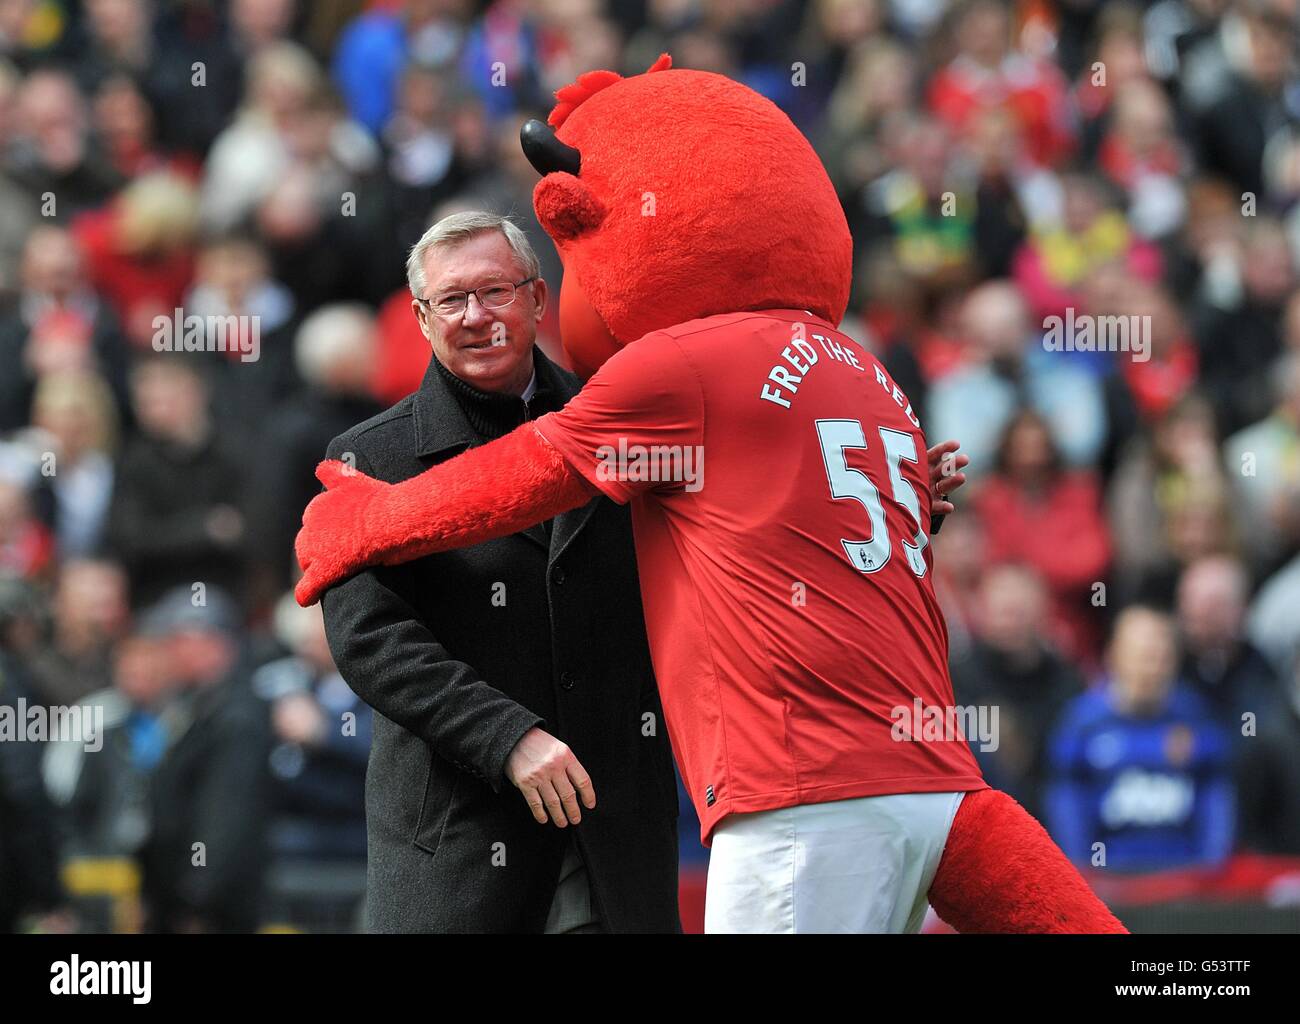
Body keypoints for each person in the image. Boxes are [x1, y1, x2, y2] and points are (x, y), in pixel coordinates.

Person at [315, 211, 682, 933]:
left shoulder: (621, 424)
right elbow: (372, 642)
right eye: (451, 300)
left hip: (615, 838)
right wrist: (506, 736)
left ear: (538, 300)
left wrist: (890, 507)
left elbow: (719, 538)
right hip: (458, 842)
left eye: (496, 291)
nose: (475, 316)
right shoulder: (369, 457)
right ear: (420, 318)